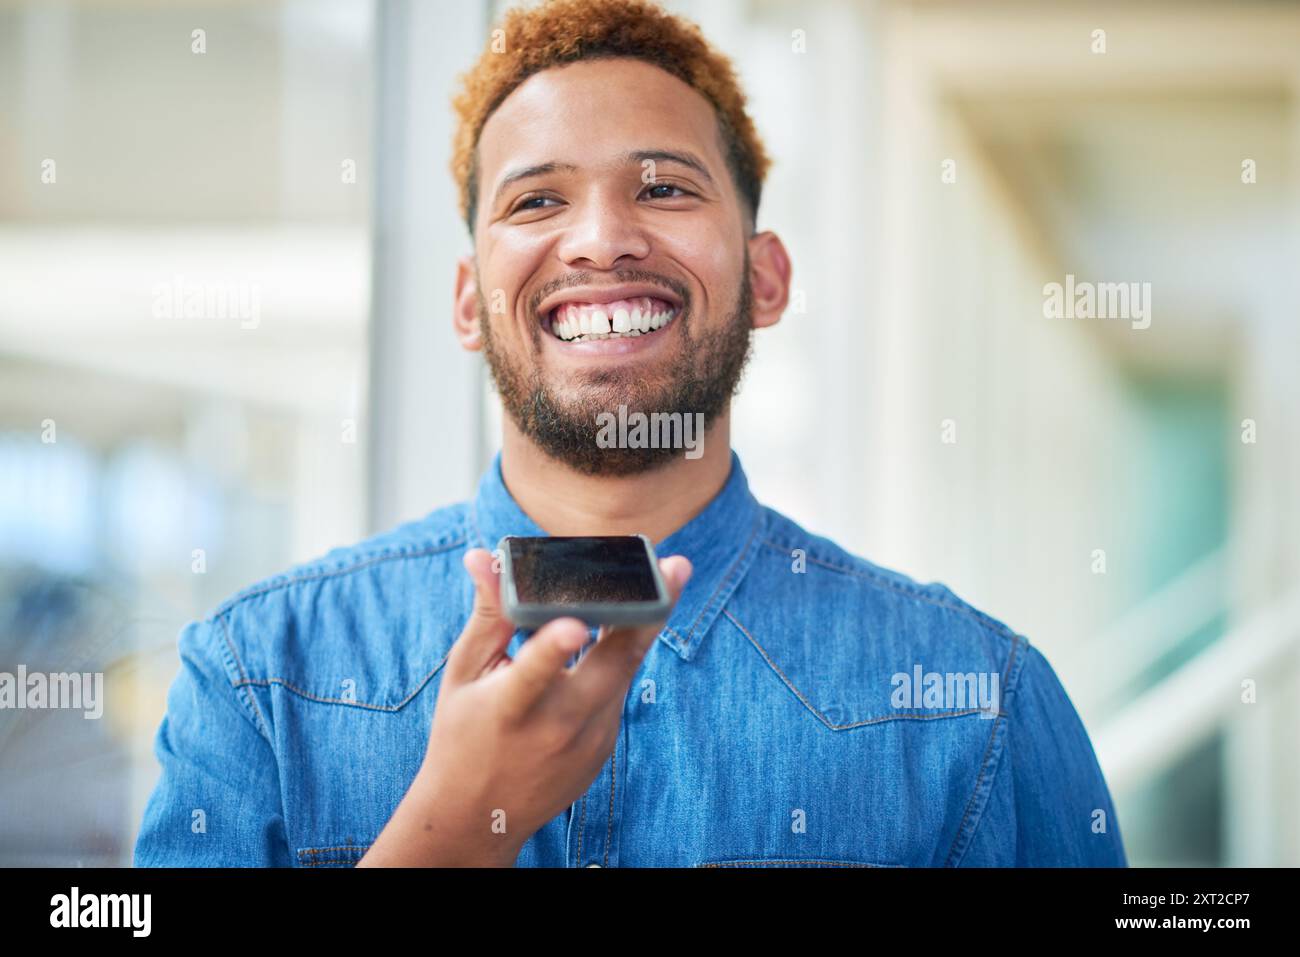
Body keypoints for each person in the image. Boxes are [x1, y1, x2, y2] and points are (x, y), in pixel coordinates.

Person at [134, 0, 1126, 868]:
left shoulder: (981, 704)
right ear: (470, 300)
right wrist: (449, 830)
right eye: (536, 201)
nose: (602, 238)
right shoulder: (257, 675)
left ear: (765, 277)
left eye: (662, 188)